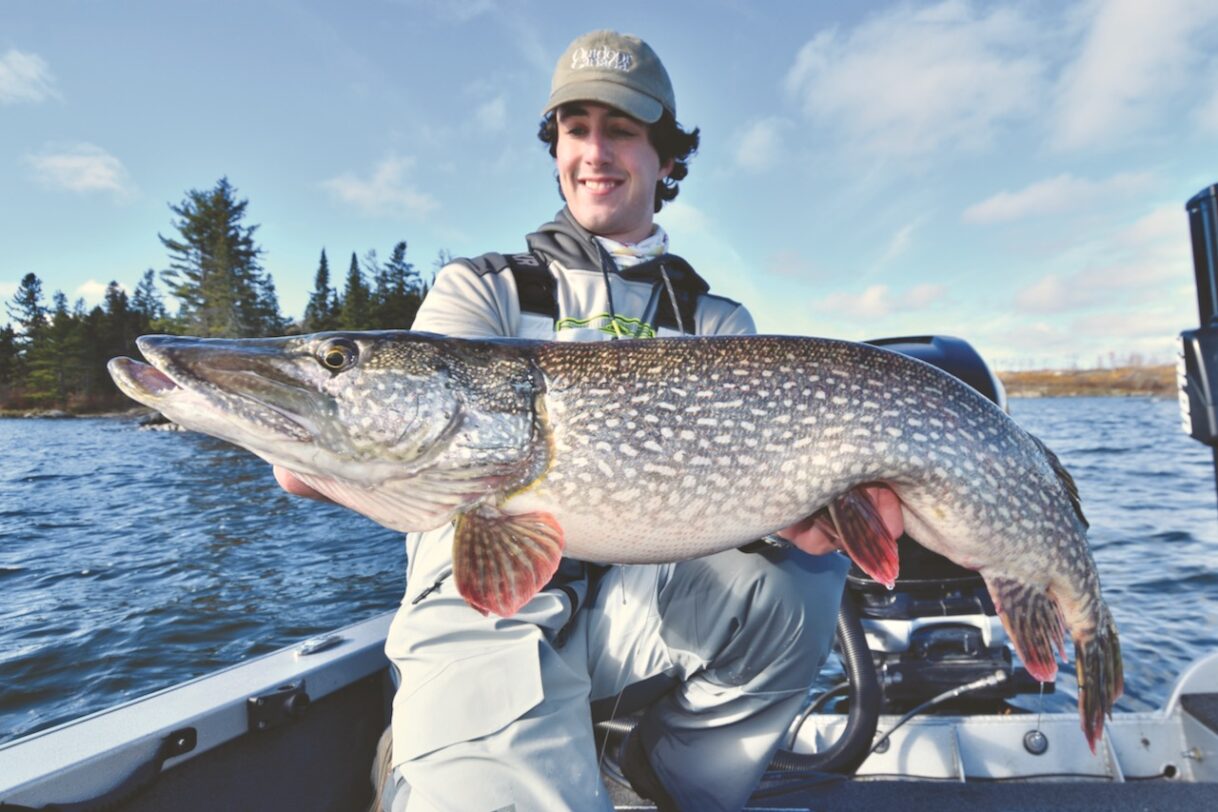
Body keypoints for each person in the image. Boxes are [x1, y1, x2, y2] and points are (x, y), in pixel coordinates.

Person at [277, 30, 851, 812]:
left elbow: (750, 502)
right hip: (486, 604)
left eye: (622, 130)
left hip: (640, 614)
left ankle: (657, 784)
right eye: (576, 129)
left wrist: (797, 511)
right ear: (555, 149)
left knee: (802, 577)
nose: (594, 151)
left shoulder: (717, 324)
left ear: (667, 158)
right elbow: (423, 435)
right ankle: (438, 751)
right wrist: (326, 431)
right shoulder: (483, 290)